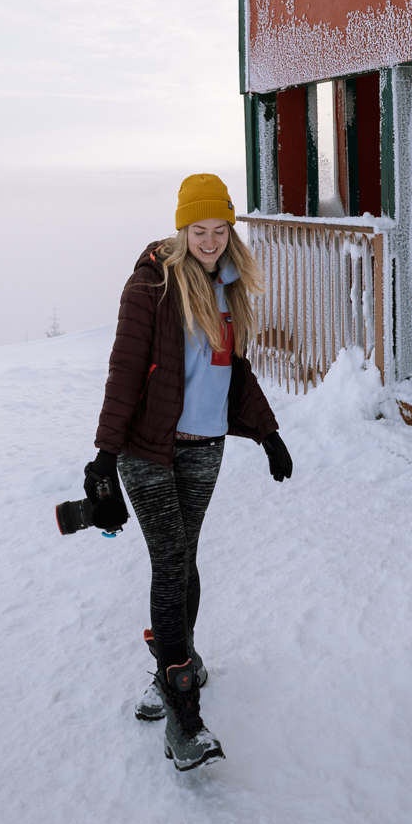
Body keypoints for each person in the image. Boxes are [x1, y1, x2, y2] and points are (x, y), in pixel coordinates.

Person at [84, 174, 293, 772]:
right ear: (181, 230)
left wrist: (269, 434)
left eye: (219, 230)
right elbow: (125, 370)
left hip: (204, 448)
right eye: (198, 231)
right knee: (171, 560)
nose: (209, 241)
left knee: (185, 555)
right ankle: (184, 718)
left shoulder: (229, 287)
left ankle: (181, 659)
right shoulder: (150, 286)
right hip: (147, 448)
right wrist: (104, 455)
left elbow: (234, 371)